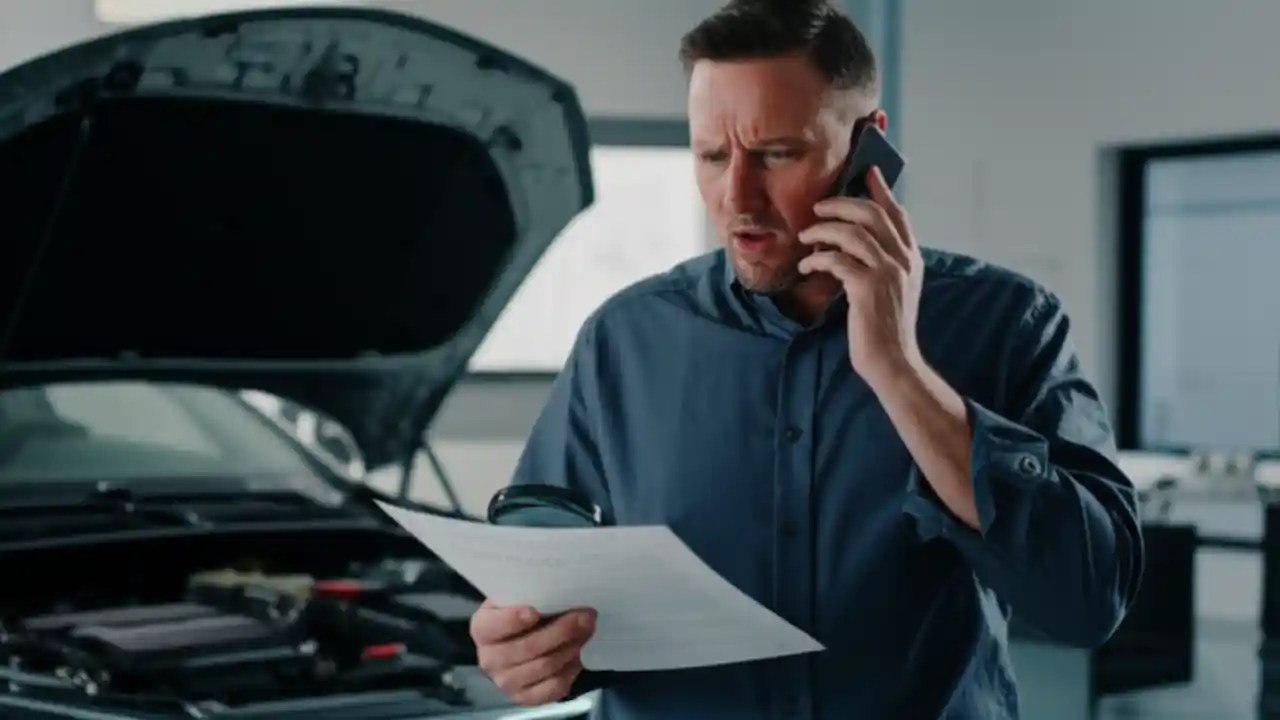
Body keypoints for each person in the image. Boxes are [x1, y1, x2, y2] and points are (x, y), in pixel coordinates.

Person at [468, 0, 1144, 717]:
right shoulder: (623, 341)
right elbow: (547, 583)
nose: (738, 197)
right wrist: (526, 647)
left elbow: (1088, 600)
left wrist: (900, 371)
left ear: (867, 146)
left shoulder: (1006, 324)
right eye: (713, 156)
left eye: (777, 154)